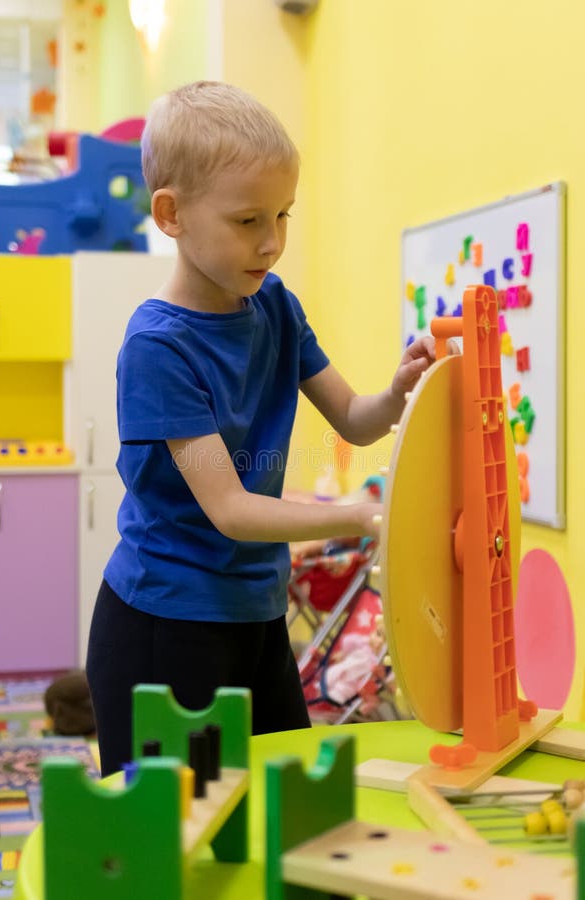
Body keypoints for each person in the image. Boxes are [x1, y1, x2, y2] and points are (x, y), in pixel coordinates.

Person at [86, 81, 437, 776]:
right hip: (168, 627)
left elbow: (355, 421)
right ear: (171, 214)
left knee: (281, 816)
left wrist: (399, 393)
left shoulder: (274, 305)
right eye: (248, 220)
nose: (272, 242)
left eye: (283, 215)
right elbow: (232, 510)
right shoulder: (159, 345)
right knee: (178, 841)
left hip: (255, 615)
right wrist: (368, 516)